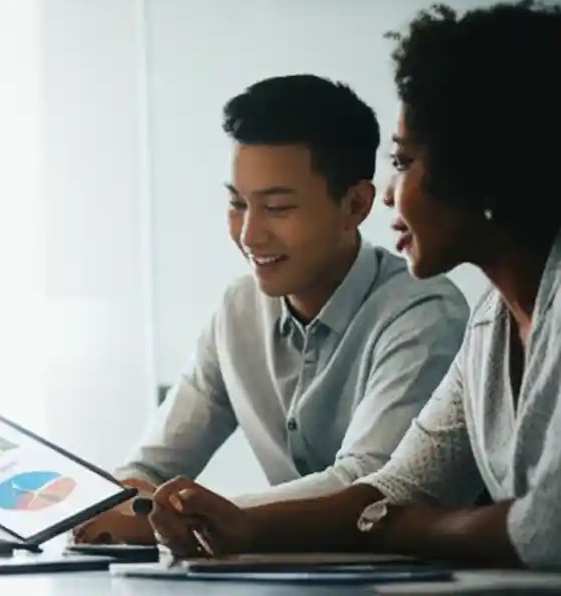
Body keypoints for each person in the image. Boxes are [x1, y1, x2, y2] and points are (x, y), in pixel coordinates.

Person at [143, 0, 561, 570]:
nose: (391, 192)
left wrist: (390, 526)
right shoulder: (492, 324)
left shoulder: (437, 311)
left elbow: (545, 529)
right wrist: (239, 526)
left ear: (480, 172)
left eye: (405, 161)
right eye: (238, 203)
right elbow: (400, 487)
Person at [75, 75, 469, 545]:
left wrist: (190, 518)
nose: (249, 235)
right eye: (237, 203)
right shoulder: (238, 310)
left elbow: (368, 485)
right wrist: (117, 507)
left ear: (356, 204)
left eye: (278, 208)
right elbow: (151, 468)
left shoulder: (423, 313)